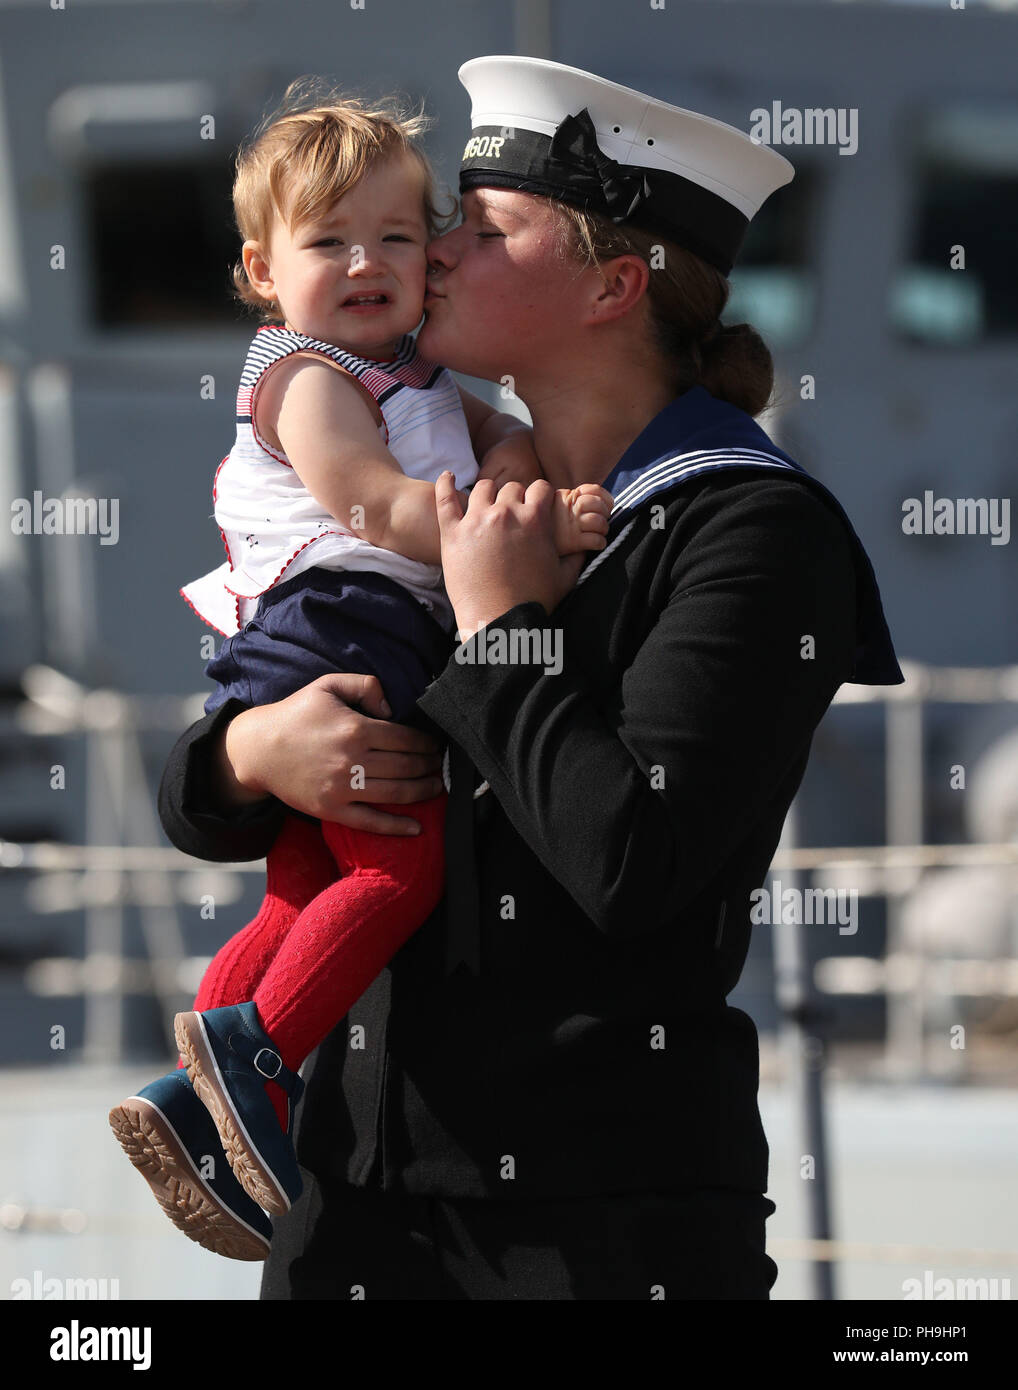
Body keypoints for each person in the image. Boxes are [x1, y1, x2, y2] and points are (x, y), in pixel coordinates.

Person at [156, 56, 904, 1299]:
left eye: (482, 226)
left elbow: (635, 863)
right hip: (350, 1210)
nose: (431, 251)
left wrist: (502, 621)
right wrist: (244, 756)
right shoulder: (423, 483)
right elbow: (210, 790)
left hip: (597, 1234)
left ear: (616, 284)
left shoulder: (751, 532)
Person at [109, 80, 611, 1261]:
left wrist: (550, 484)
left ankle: (192, 1103)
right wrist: (514, 537)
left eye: (396, 234)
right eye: (327, 239)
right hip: (337, 630)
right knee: (401, 872)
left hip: (364, 636)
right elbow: (376, 505)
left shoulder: (435, 383)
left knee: (301, 890)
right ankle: (258, 1067)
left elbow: (514, 446)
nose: (367, 260)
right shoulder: (305, 374)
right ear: (259, 270)